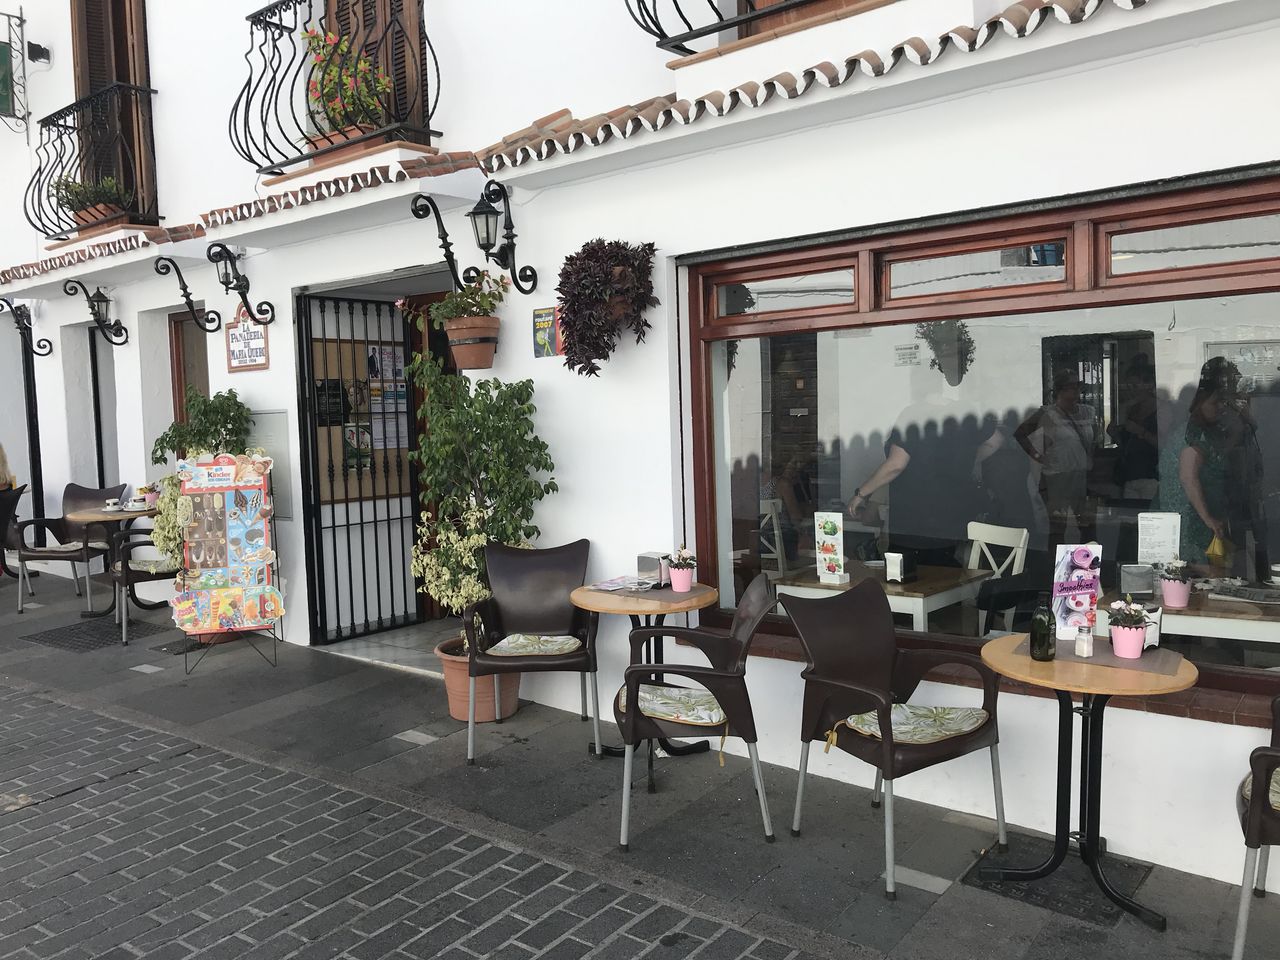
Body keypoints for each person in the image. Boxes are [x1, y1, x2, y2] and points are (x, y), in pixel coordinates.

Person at [1159, 357, 1263, 568]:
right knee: (1197, 574)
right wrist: (1208, 519)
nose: (1221, 408)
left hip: (1205, 516)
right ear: (1200, 401)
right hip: (1190, 520)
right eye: (1216, 402)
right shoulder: (1193, 433)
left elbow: (1219, 456)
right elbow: (1188, 476)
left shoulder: (1209, 432)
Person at [1015, 368, 1098, 551]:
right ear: (1060, 391)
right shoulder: (1048, 414)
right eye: (1071, 388)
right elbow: (1020, 433)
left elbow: (1092, 442)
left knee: (1087, 527)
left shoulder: (1086, 412)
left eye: (1078, 387)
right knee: (1058, 529)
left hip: (1081, 476)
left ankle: (1086, 575)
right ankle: (1054, 572)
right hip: (1057, 478)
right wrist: (1037, 455)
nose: (1076, 392)